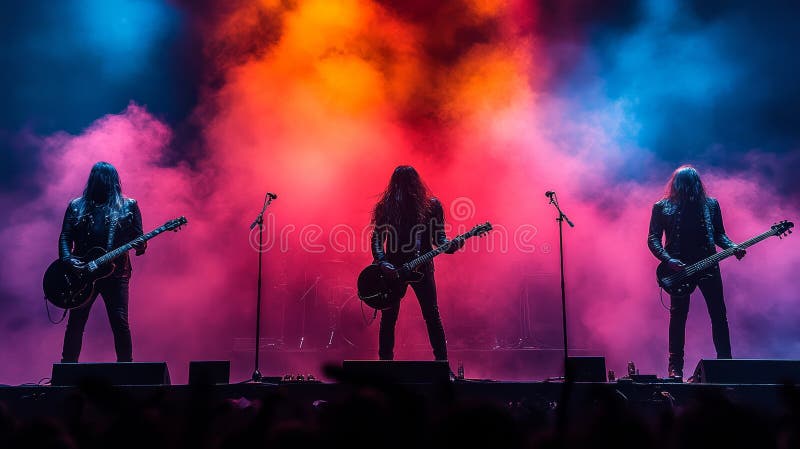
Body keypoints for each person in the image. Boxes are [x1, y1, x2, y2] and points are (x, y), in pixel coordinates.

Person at [647, 165, 744, 379]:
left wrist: (732, 247)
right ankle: (675, 368)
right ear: (678, 184)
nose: (690, 188)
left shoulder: (711, 205)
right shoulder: (662, 206)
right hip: (679, 269)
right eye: (686, 183)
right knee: (678, 317)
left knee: (719, 315)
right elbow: (653, 238)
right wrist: (668, 260)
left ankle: (725, 363)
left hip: (708, 265)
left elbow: (719, 234)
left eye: (693, 183)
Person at [370, 165, 464, 362]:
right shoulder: (386, 207)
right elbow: (377, 238)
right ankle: (384, 366)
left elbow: (440, 239)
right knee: (389, 318)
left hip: (423, 268)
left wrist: (453, 245)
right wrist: (381, 262)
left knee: (431, 315)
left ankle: (442, 365)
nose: (405, 188)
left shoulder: (432, 206)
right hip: (393, 270)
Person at [59, 162, 146, 362]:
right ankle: (67, 368)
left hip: (116, 273)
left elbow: (139, 239)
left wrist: (141, 246)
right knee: (76, 322)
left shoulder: (129, 205)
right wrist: (68, 260)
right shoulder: (76, 205)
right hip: (83, 273)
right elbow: (65, 237)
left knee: (119, 321)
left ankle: (126, 368)